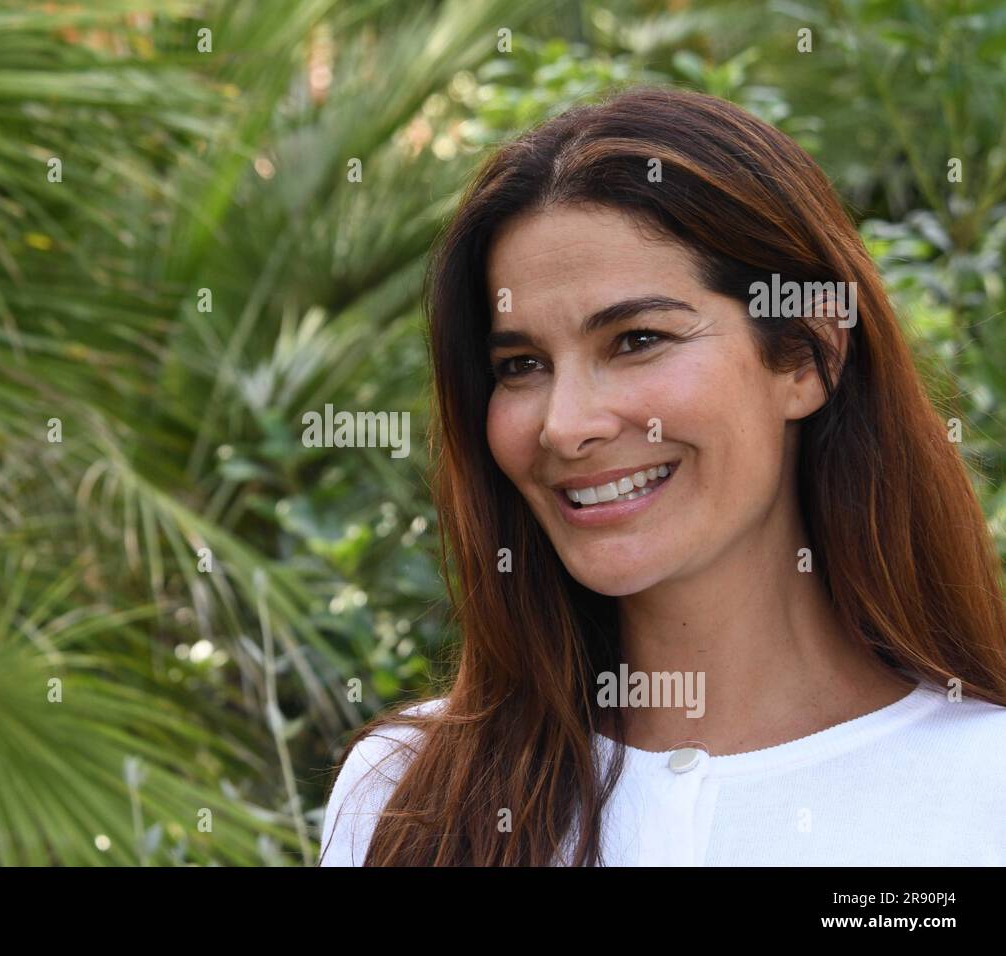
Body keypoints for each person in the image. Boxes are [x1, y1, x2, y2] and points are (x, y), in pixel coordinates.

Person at [318, 86, 1006, 866]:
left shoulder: (985, 790)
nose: (565, 424)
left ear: (808, 356)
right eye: (522, 365)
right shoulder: (405, 795)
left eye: (638, 339)